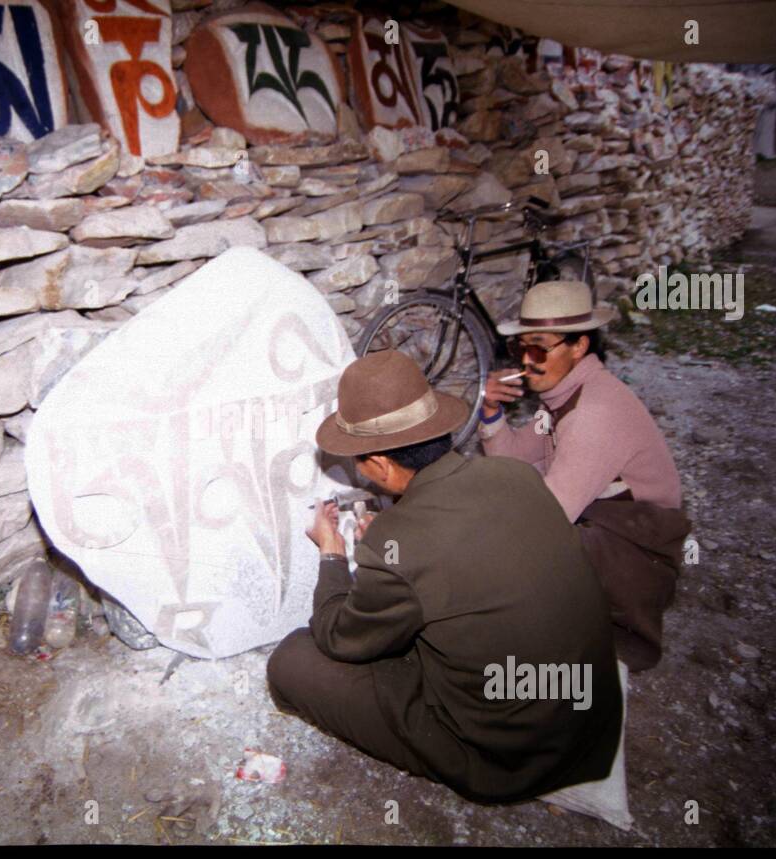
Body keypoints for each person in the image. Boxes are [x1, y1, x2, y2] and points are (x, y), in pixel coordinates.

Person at [266, 350, 622, 803]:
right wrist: (398, 547)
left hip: (512, 753)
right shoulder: (516, 475)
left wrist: (333, 553)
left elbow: (339, 639)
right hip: (588, 718)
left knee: (292, 659)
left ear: (379, 463)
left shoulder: (401, 543)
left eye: (358, 461)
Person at [480, 280, 691, 670]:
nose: (526, 361)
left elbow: (548, 520)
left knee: (510, 556)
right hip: (606, 522)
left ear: (579, 347)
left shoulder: (592, 413)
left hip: (637, 550)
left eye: (539, 347)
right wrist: (490, 410)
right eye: (519, 347)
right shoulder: (562, 396)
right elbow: (509, 458)